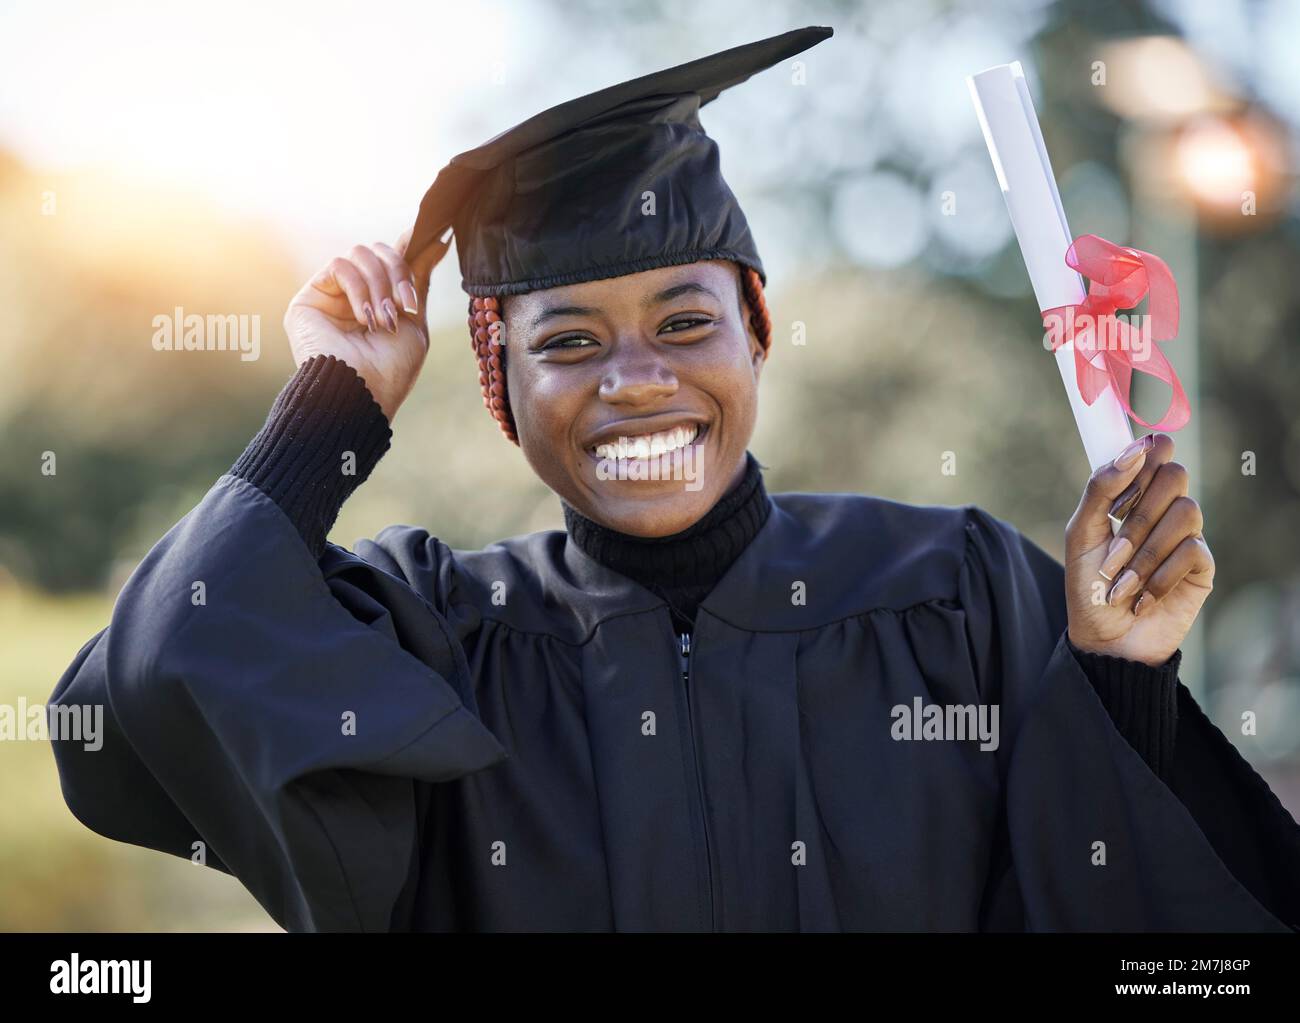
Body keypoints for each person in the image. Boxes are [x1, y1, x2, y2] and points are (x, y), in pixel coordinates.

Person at [50, 26, 1300, 932]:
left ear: (757, 329)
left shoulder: (958, 590)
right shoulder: (435, 633)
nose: (636, 378)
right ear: (501, 391)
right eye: (568, 341)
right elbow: (153, 679)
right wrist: (332, 405)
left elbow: (1145, 919)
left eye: (685, 321)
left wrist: (1116, 680)